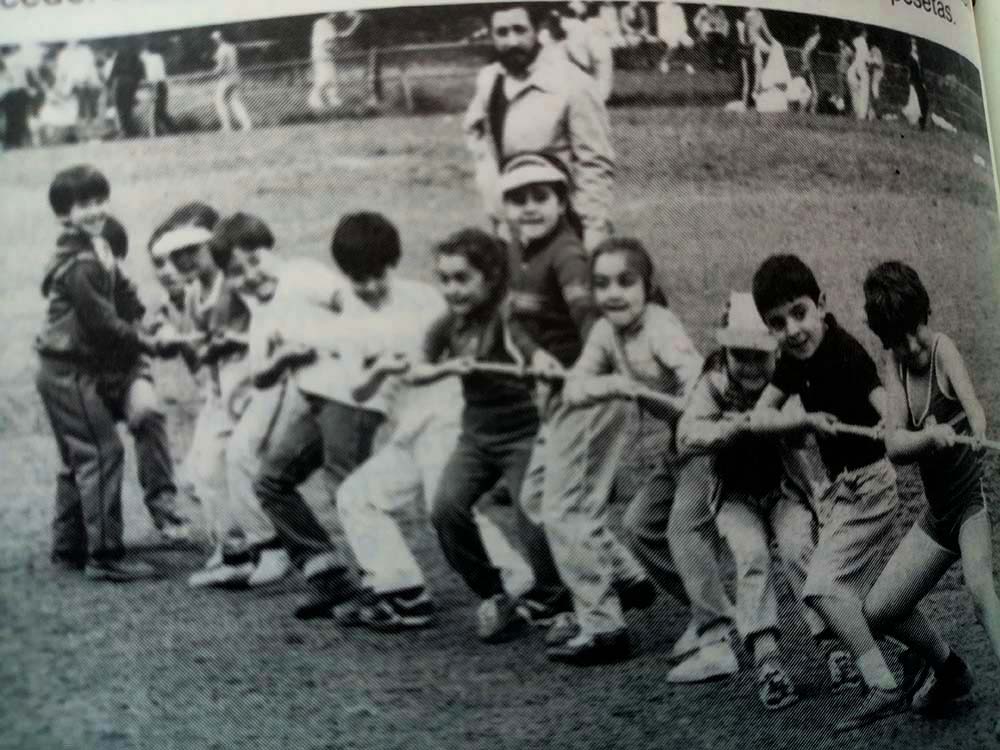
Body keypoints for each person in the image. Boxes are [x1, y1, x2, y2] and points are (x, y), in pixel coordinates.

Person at [748, 254, 912, 732]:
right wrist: (803, 419)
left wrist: (889, 425)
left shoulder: (845, 352)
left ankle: (882, 683)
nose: (793, 330)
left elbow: (887, 409)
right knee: (870, 596)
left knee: (821, 587)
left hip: (871, 485)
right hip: (841, 492)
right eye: (777, 323)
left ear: (820, 304)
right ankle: (940, 662)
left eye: (799, 313)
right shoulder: (792, 361)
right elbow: (759, 418)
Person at [389, 226, 572, 644]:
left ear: (490, 278)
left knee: (533, 514)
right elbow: (416, 370)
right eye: (444, 279)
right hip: (476, 439)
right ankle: (495, 593)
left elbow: (530, 347)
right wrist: (446, 368)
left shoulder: (509, 317)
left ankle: (559, 602)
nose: (452, 289)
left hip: (525, 434)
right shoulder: (448, 325)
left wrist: (540, 362)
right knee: (445, 509)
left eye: (462, 278)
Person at [675, 292, 855, 708]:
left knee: (797, 548)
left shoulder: (786, 380)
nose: (751, 367)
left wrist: (785, 423)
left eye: (760, 356)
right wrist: (733, 428)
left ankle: (835, 645)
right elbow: (687, 434)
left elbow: (802, 434)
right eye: (741, 356)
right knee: (751, 556)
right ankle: (767, 659)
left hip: (783, 489)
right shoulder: (714, 384)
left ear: (775, 352)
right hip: (735, 497)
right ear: (725, 353)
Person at [537, 235, 703, 666]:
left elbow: (697, 385)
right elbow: (575, 389)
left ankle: (717, 624)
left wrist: (651, 397)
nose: (613, 293)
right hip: (679, 446)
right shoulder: (605, 331)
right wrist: (611, 383)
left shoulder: (661, 328)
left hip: (708, 442)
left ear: (647, 286)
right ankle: (710, 611)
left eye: (625, 282)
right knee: (639, 526)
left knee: (684, 530)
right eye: (602, 283)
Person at [861, 261, 1000, 717]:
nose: (912, 345)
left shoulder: (943, 349)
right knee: (880, 609)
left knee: (980, 591)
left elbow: (974, 407)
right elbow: (895, 446)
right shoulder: (896, 364)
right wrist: (928, 437)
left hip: (968, 507)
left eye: (916, 331)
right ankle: (949, 671)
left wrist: (976, 428)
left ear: (926, 315)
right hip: (937, 518)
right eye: (899, 340)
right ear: (887, 342)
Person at [35, 165, 171, 582]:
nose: (95, 210)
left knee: (79, 456)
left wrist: (141, 315)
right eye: (84, 204)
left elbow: (120, 292)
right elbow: (102, 324)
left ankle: (69, 545)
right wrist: (148, 341)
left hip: (67, 367)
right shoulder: (81, 261)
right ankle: (106, 556)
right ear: (64, 214)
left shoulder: (95, 248)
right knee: (101, 452)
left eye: (99, 201)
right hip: (69, 369)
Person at [463, 3, 614, 252]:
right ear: (491, 35)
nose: (512, 41)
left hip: (565, 227)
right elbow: (483, 147)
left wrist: (593, 230)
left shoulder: (573, 82)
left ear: (536, 30)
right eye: (502, 32)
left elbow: (595, 162)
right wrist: (497, 214)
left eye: (520, 30)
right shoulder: (489, 80)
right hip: (511, 225)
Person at [557, 1, 614, 103]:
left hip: (592, 47)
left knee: (598, 72)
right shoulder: (579, 24)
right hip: (595, 47)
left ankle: (597, 97)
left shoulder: (583, 24)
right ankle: (598, 97)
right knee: (600, 73)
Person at [308, 11, 362, 111]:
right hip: (321, 55)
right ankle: (314, 99)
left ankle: (333, 99)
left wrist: (356, 21)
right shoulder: (321, 23)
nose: (335, 15)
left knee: (332, 77)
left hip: (328, 55)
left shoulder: (329, 24)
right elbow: (327, 43)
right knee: (323, 78)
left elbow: (344, 34)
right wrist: (336, 49)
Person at [211, 30, 252, 133]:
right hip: (236, 76)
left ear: (218, 39)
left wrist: (213, 72)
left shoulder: (221, 50)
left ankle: (227, 126)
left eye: (214, 40)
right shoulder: (231, 47)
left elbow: (221, 67)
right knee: (235, 101)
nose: (214, 42)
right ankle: (247, 125)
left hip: (226, 78)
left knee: (219, 101)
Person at [108, 41, 145, 138]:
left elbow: (114, 71)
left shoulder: (119, 55)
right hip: (132, 82)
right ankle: (131, 130)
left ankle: (128, 130)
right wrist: (137, 83)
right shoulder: (135, 56)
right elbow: (140, 72)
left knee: (121, 108)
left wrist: (109, 83)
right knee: (128, 108)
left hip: (121, 83)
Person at [140, 41, 174, 136]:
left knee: (155, 110)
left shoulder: (151, 59)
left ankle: (155, 132)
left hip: (156, 84)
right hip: (161, 84)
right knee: (160, 111)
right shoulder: (157, 57)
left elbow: (153, 76)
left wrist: (153, 90)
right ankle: (172, 128)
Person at [691, 4, 728, 71]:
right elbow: (696, 22)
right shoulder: (703, 11)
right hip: (706, 33)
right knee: (710, 43)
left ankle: (720, 61)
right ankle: (711, 64)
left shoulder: (720, 12)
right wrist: (701, 33)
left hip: (718, 33)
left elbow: (725, 23)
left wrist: (724, 33)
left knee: (722, 44)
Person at [847, 26, 871, 121]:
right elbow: (865, 58)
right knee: (863, 93)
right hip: (861, 68)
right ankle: (861, 115)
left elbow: (850, 56)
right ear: (864, 33)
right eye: (866, 33)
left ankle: (857, 112)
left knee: (854, 93)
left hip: (852, 68)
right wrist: (874, 61)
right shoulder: (863, 42)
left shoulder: (854, 41)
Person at [800, 24, 821, 114]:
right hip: (811, 68)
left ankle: (803, 109)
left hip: (807, 67)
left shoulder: (809, 41)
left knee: (807, 89)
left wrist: (805, 65)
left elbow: (804, 53)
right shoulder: (813, 40)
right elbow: (807, 53)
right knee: (814, 91)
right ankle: (812, 110)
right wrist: (808, 65)